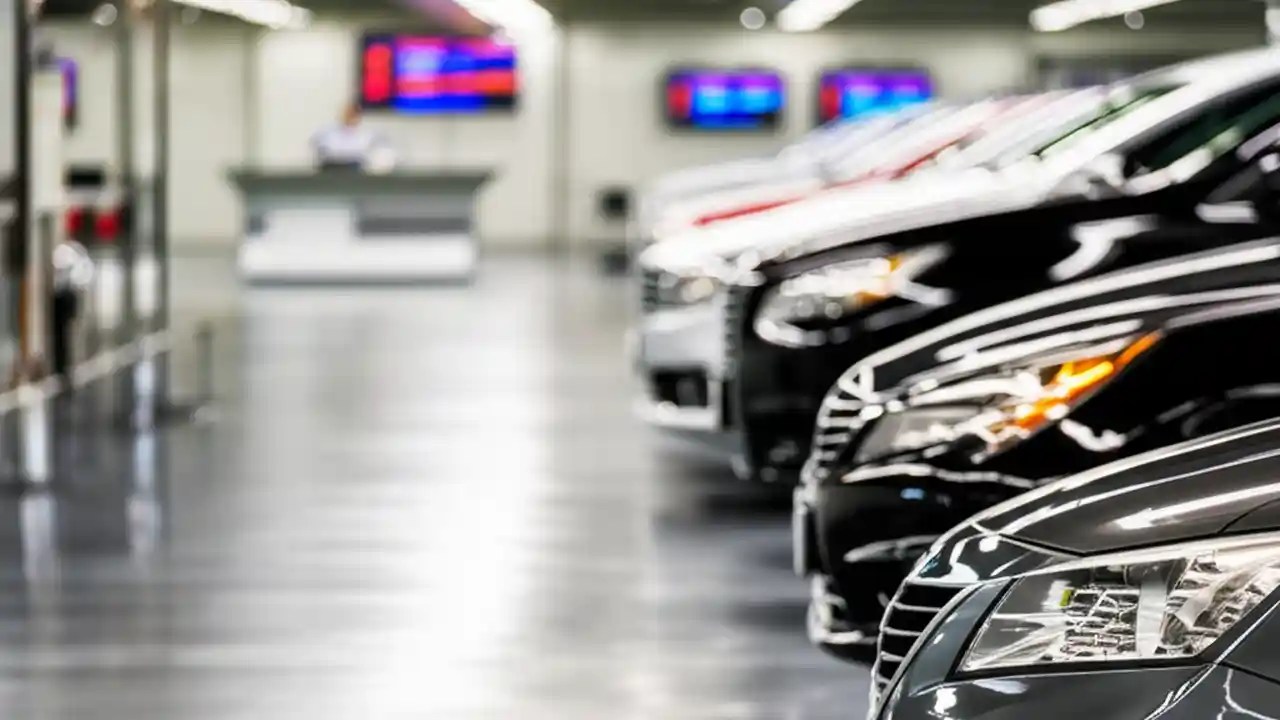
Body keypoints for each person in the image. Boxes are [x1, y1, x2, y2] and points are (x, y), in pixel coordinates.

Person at [311, 102, 392, 170]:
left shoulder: (367, 135)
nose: (350, 116)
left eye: (353, 114)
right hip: (332, 169)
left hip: (355, 170)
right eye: (347, 113)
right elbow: (323, 151)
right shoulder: (327, 133)